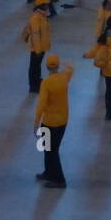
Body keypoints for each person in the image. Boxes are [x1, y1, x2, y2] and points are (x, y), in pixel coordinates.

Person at [34, 54, 73, 189]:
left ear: (46, 67)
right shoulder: (64, 77)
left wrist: (36, 123)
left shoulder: (46, 83)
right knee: (48, 149)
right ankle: (48, 173)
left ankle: (59, 180)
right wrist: (66, 65)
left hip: (49, 122)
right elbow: (70, 69)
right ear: (57, 65)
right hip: (62, 120)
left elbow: (41, 105)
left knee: (51, 151)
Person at [22, 0, 52, 94]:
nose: (47, 6)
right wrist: (38, 50)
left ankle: (37, 81)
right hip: (37, 48)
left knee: (37, 66)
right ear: (41, 6)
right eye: (46, 5)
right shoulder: (36, 18)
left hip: (41, 47)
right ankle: (33, 86)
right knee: (34, 66)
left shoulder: (43, 16)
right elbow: (35, 35)